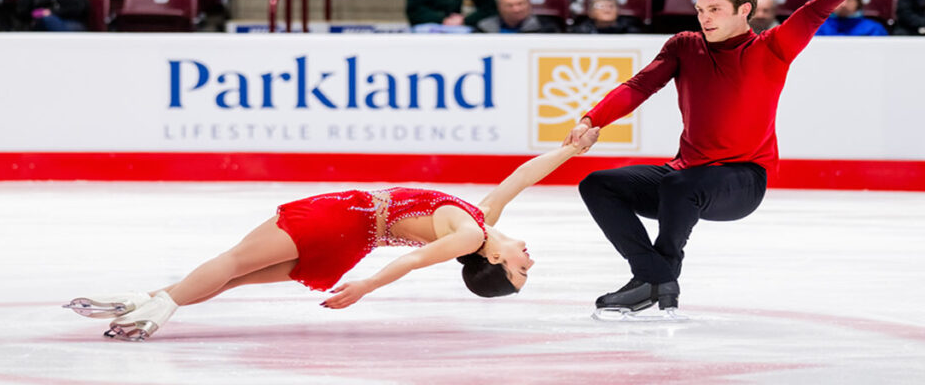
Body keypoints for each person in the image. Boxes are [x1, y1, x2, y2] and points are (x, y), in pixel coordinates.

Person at [564, 0, 919, 317]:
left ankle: (662, 275)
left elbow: (818, 9)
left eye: (715, 9)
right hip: (683, 176)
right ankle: (651, 275)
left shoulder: (773, 48)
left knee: (678, 185)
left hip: (742, 180)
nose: (705, 18)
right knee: (598, 184)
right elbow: (639, 86)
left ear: (744, 9)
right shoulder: (684, 46)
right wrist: (592, 119)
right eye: (700, 9)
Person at [64, 128, 603, 341]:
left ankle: (153, 311)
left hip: (345, 218)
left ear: (494, 264)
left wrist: (365, 288)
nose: (529, 256)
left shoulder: (468, 236)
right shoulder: (482, 219)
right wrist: (573, 149)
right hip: (353, 238)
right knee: (234, 277)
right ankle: (148, 300)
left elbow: (414, 263)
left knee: (232, 263)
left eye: (522, 268)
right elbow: (520, 177)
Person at [474, 0, 563, 33]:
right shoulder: (483, 29)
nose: (516, 9)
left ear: (528, 3)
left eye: (520, 4)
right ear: (499, 6)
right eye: (510, 5)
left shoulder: (546, 29)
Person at [815, 0, 888, 35]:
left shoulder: (873, 28)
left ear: (858, 2)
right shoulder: (818, 27)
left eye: (849, 0)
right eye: (839, 0)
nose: (843, 5)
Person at [570, 0, 643, 33]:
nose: (607, 9)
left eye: (611, 6)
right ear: (590, 12)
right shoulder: (579, 32)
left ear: (618, 11)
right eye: (601, 6)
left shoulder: (630, 32)